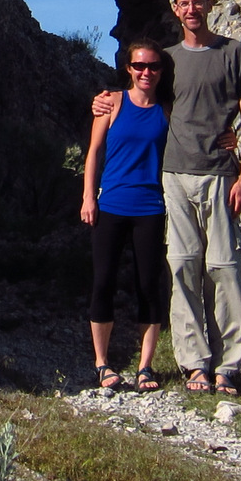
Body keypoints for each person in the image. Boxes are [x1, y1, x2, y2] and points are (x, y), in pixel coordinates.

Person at [94, 0, 241, 394]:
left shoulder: (233, 53)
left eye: (198, 2)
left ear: (210, 4)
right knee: (184, 267)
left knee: (224, 268)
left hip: (221, 175)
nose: (192, 9)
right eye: (184, 3)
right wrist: (102, 101)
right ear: (176, 8)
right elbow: (141, 92)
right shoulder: (166, 61)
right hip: (173, 176)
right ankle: (194, 364)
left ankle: (228, 364)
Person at [81, 38, 170, 391]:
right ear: (129, 69)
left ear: (161, 71)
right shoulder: (112, 103)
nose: (146, 72)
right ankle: (102, 363)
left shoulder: (166, 111)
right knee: (103, 282)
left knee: (148, 285)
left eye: (153, 67)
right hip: (111, 205)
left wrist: (227, 139)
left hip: (151, 207)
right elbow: (93, 152)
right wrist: (89, 197)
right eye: (139, 66)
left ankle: (145, 366)